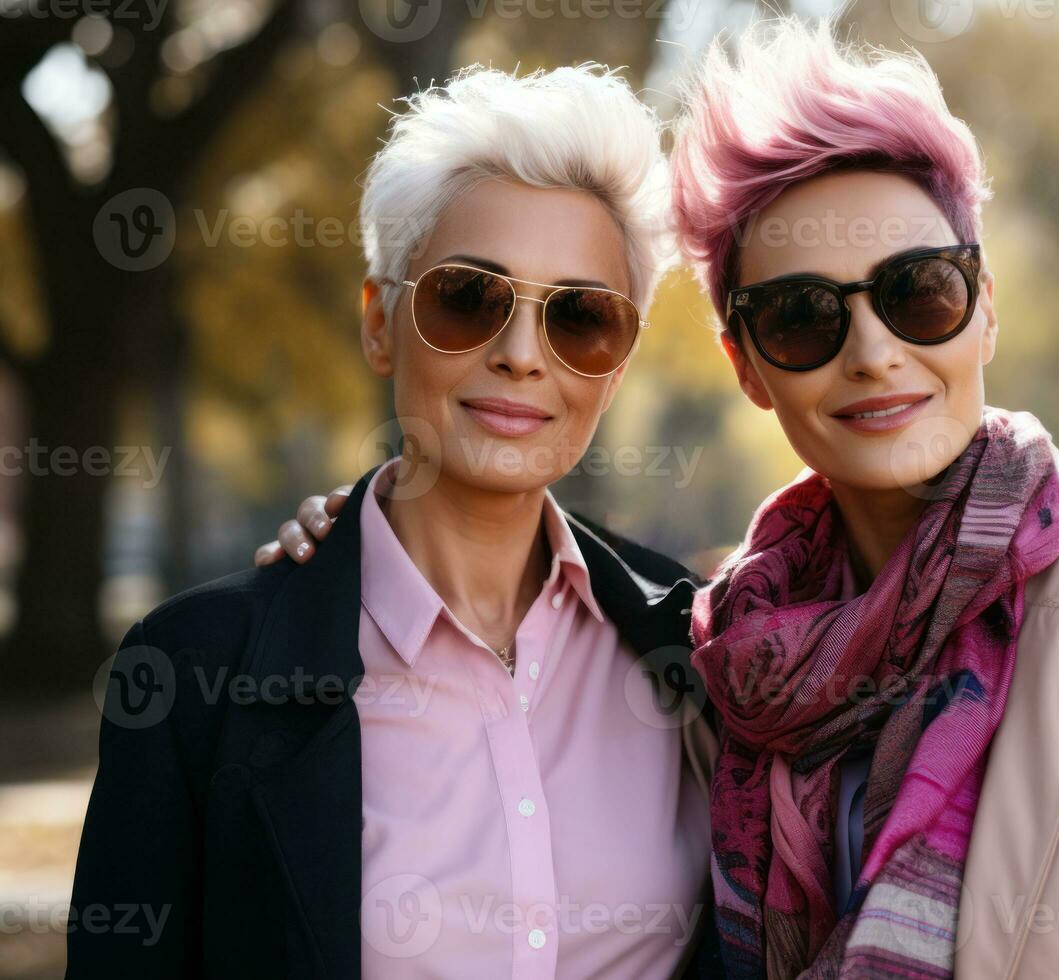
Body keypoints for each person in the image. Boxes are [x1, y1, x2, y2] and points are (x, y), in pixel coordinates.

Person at [264, 19, 1059, 980]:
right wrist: (347, 551)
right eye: (804, 314)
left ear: (985, 306)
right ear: (746, 364)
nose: (876, 352)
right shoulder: (719, 668)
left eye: (919, 291)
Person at [70, 64, 720, 979]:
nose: (523, 356)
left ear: (617, 366)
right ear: (381, 322)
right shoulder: (198, 675)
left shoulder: (701, 652)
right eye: (467, 298)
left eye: (580, 317)